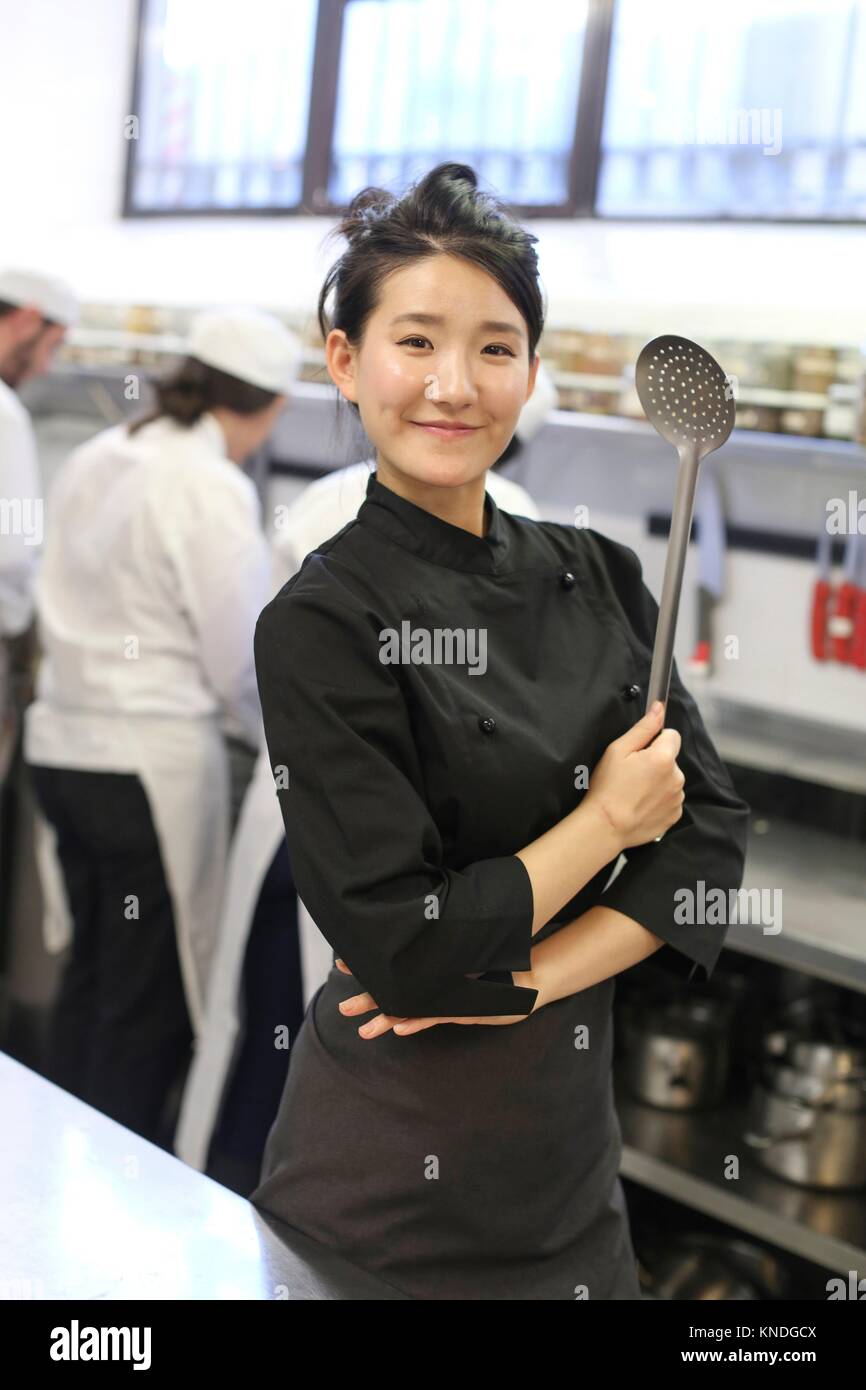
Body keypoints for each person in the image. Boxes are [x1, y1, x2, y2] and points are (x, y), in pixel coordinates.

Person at [250, 163, 751, 1300]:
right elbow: (405, 948)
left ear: (530, 369)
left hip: (568, 1172)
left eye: (493, 346)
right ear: (346, 359)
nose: (453, 385)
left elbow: (710, 848)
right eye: (414, 341)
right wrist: (604, 823)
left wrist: (522, 980)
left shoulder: (604, 576)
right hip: (380, 1185)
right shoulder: (323, 620)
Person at [174, 391, 549, 1194]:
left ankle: (237, 1216)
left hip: (292, 830)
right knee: (359, 1067)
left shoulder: (324, 499)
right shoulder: (519, 522)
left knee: (264, 1038)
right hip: (402, 860)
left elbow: (261, 671)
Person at [23, 309, 300, 1146]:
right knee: (144, 1004)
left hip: (64, 753)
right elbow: (238, 652)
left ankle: (45, 1182)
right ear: (270, 405)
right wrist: (273, 732)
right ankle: (113, 1209)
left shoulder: (106, 452)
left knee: (92, 980)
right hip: (145, 771)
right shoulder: (210, 485)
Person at [0, 269, 78, 784]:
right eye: (51, 346)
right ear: (28, 318)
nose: (45, 365)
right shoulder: (5, 414)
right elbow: (14, 546)